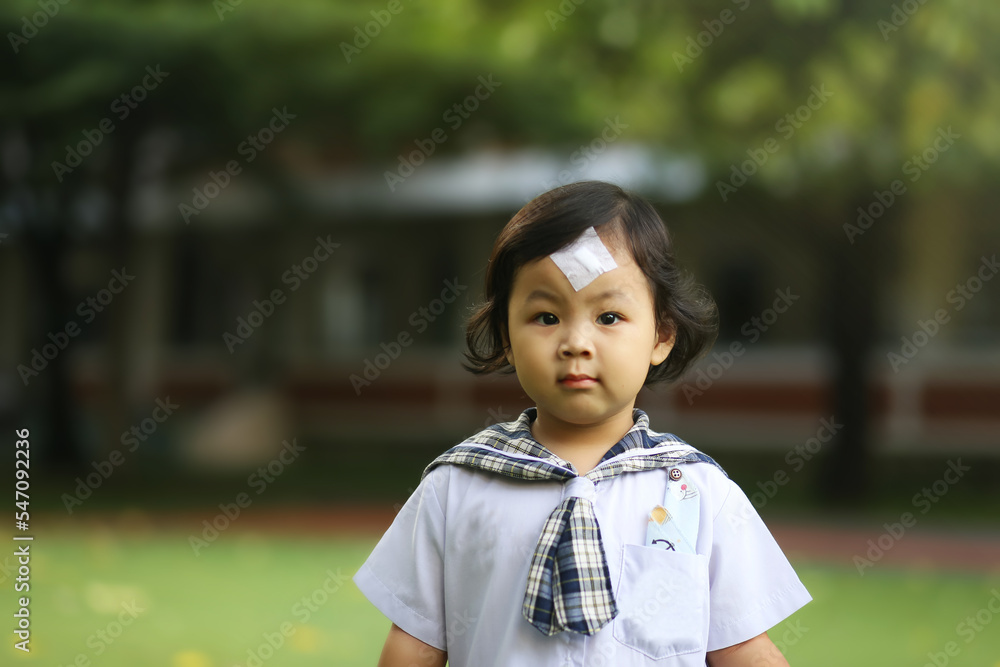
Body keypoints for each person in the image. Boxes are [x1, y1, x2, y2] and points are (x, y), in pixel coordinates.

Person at [353, 181, 812, 666]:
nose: (576, 342)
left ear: (661, 335)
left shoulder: (698, 493)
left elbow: (741, 648)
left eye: (609, 316)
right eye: (546, 316)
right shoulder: (456, 488)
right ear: (506, 336)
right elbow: (414, 647)